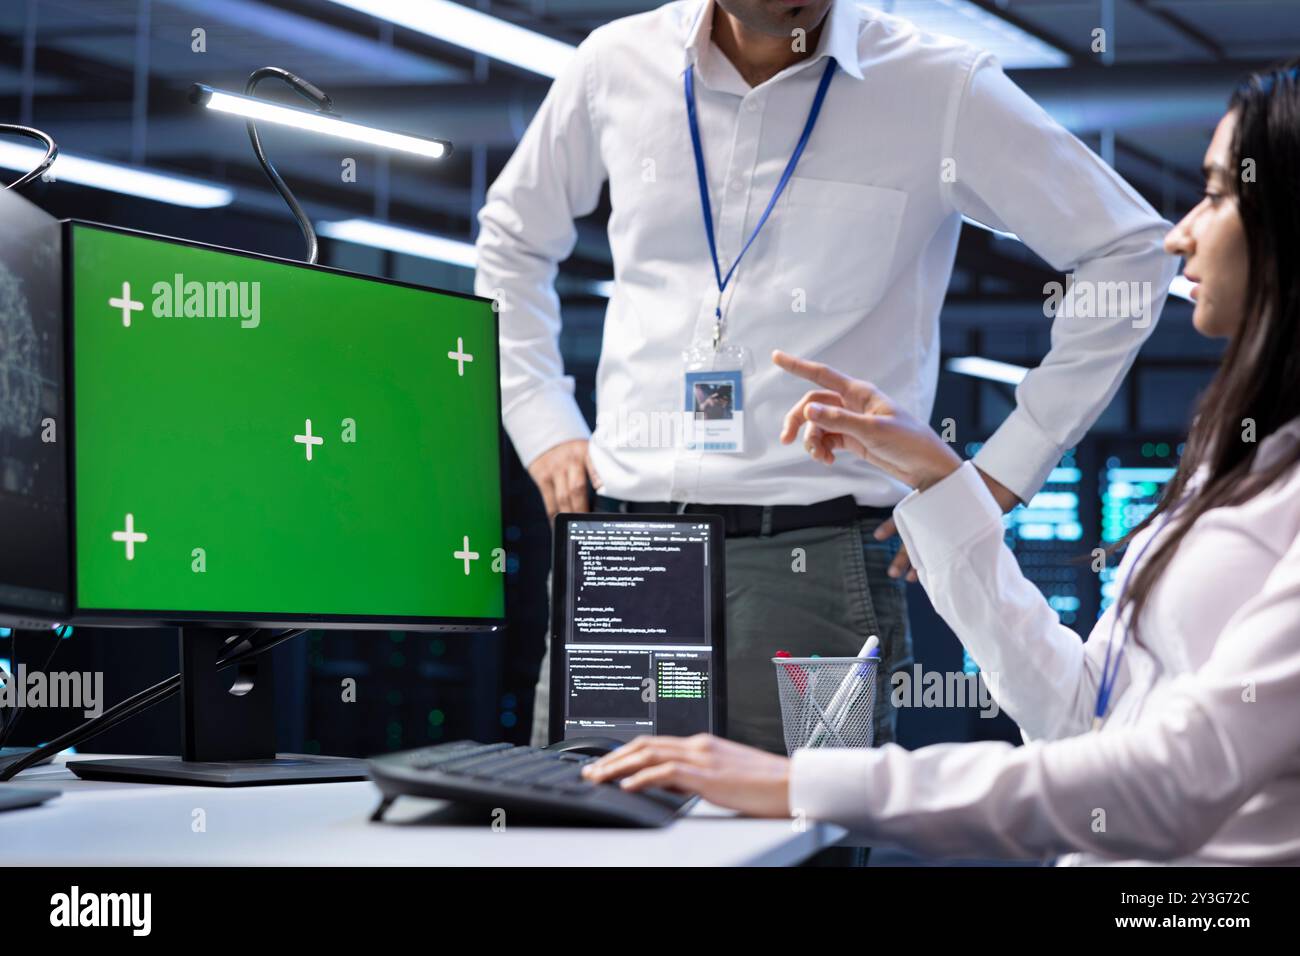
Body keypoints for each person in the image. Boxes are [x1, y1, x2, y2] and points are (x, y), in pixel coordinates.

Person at [583, 62, 1300, 865]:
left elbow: (1172, 784)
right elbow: (1079, 719)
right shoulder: (1240, 470)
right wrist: (942, 481)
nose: (1180, 232)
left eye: (1217, 194)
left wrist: (804, 781)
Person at [475, 0, 1176, 752]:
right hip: (625, 558)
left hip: (814, 572)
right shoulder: (615, 63)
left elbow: (1131, 252)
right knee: (581, 819)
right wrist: (541, 418)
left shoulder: (937, 85)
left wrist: (1005, 468)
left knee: (809, 821)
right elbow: (513, 237)